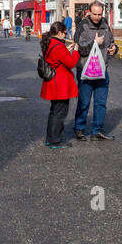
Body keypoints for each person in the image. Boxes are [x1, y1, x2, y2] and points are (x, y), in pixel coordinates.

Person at [72, 1, 118, 141]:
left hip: (102, 69)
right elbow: (79, 48)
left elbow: (111, 42)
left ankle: (97, 130)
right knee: (84, 102)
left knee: (101, 103)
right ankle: (79, 129)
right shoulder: (83, 26)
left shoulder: (105, 25)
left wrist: (114, 48)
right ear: (89, 12)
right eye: (95, 14)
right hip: (85, 71)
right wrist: (94, 43)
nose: (97, 17)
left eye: (99, 14)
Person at [39, 20, 79, 149]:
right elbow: (71, 63)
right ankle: (55, 140)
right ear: (59, 33)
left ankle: (50, 138)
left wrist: (66, 50)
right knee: (60, 112)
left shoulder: (50, 43)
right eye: (64, 33)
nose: (66, 36)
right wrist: (76, 51)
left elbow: (57, 57)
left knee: (54, 111)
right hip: (59, 84)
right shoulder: (59, 46)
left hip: (52, 82)